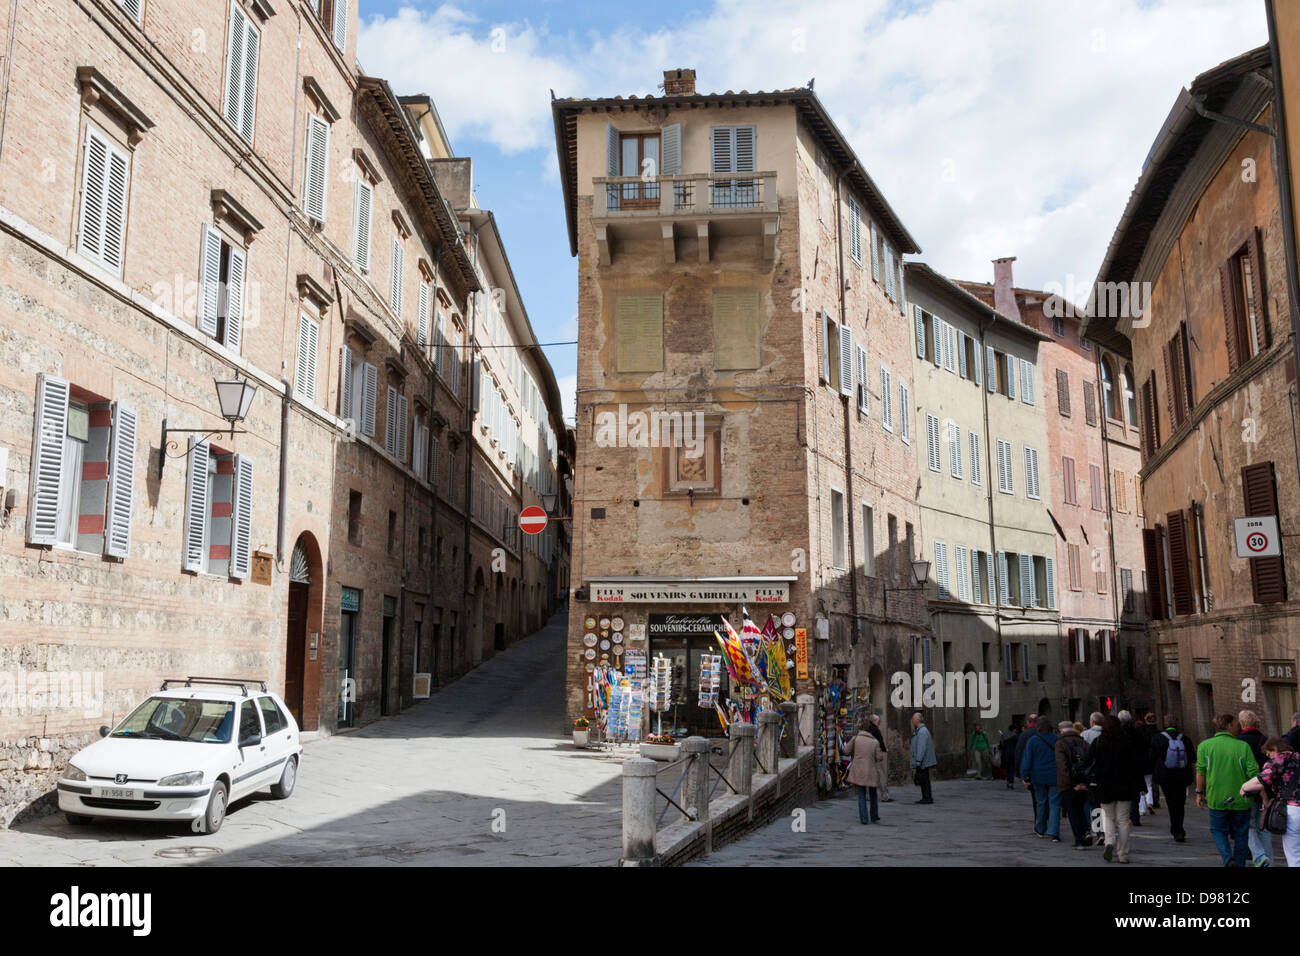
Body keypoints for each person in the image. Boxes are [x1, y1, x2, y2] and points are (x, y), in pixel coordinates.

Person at [1196, 713, 1260, 867]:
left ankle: (1227, 858)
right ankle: (1239, 863)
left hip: (1216, 796)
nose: (1238, 726)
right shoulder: (1242, 746)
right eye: (1236, 724)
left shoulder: (1204, 746)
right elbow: (1253, 772)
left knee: (1218, 830)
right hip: (1241, 798)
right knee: (1241, 833)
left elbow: (1200, 771)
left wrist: (1199, 793)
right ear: (1230, 725)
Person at [1084, 714, 1144, 863]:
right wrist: (1141, 785)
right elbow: (1135, 765)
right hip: (1125, 785)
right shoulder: (1126, 742)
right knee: (1123, 821)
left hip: (1104, 785)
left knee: (1107, 817)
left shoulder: (1098, 742)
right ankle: (1123, 854)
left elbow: (1088, 762)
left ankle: (1109, 842)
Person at [1242, 739, 1300, 867]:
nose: (1269, 757)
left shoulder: (1278, 761)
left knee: (1295, 855)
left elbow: (1262, 779)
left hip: (1293, 811)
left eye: (1269, 754)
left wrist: (1244, 787)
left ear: (1275, 749)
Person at [1148, 715, 1195, 843]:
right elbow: (1193, 758)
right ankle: (1179, 828)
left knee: (1171, 802)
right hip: (1182, 776)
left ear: (1165, 724)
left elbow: (1152, 758)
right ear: (1177, 724)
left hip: (1166, 776)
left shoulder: (1158, 739)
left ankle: (1176, 829)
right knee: (1180, 803)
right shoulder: (1185, 739)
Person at [1237, 709, 1273, 867]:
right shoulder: (1266, 740)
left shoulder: (1238, 742)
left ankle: (1259, 856)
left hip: (1248, 788)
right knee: (1264, 827)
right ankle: (1268, 861)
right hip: (1267, 787)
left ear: (1242, 723)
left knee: (1249, 825)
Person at [1020, 716, 1061, 841]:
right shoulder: (1057, 739)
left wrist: (1024, 776)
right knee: (1054, 804)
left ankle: (1040, 828)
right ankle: (1054, 832)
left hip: (1039, 776)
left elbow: (1027, 760)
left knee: (1041, 802)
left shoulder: (1033, 741)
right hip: (1055, 776)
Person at [1055, 720, 1092, 848]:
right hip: (1084, 782)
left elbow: (1062, 767)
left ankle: (1079, 840)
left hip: (1069, 784)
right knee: (1082, 809)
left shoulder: (1060, 744)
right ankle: (1086, 831)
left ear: (1061, 731)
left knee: (1073, 812)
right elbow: (1090, 762)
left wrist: (1071, 784)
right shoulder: (1083, 742)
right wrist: (1085, 782)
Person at [843, 718, 886, 824]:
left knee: (861, 794)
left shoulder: (856, 739)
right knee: (873, 794)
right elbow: (879, 757)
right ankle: (874, 816)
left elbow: (846, 751)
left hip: (859, 771)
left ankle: (864, 818)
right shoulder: (875, 742)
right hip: (871, 771)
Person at [1118, 710, 1145, 825]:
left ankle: (1125, 816)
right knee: (1135, 792)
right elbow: (1143, 748)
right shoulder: (1136, 732)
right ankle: (1135, 817)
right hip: (1135, 765)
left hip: (1122, 766)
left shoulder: (1117, 733)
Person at [909, 712, 937, 804]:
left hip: (923, 761)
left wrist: (918, 761)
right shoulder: (920, 730)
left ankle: (927, 798)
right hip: (924, 761)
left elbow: (921, 747)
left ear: (918, 720)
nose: (912, 720)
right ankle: (926, 797)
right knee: (924, 779)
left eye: (913, 719)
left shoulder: (922, 732)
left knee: (924, 779)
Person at [1015, 713, 1038, 817]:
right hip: (1047, 769)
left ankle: (1039, 819)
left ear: (1028, 722)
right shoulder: (1045, 732)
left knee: (1036, 797)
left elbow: (1019, 752)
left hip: (1031, 771)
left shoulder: (1024, 734)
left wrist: (1019, 772)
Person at [868, 714, 892, 802]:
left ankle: (868, 795)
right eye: (878, 720)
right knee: (881, 775)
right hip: (876, 755)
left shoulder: (869, 729)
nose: (879, 722)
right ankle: (885, 795)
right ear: (874, 721)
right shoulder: (876, 730)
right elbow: (880, 741)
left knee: (870, 775)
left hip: (869, 755)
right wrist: (885, 749)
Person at [1142, 712, 1161, 810]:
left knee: (1147, 782)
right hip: (1157, 759)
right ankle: (1155, 801)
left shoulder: (1144, 733)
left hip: (1146, 759)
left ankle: (1148, 801)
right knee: (1155, 781)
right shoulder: (1159, 733)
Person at [1000, 723, 1021, 790]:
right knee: (1011, 768)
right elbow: (1018, 745)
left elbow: (1001, 744)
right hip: (1012, 753)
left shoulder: (1004, 735)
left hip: (1005, 753)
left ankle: (1008, 781)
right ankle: (1010, 782)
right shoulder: (1015, 736)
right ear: (1014, 729)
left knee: (1008, 768)